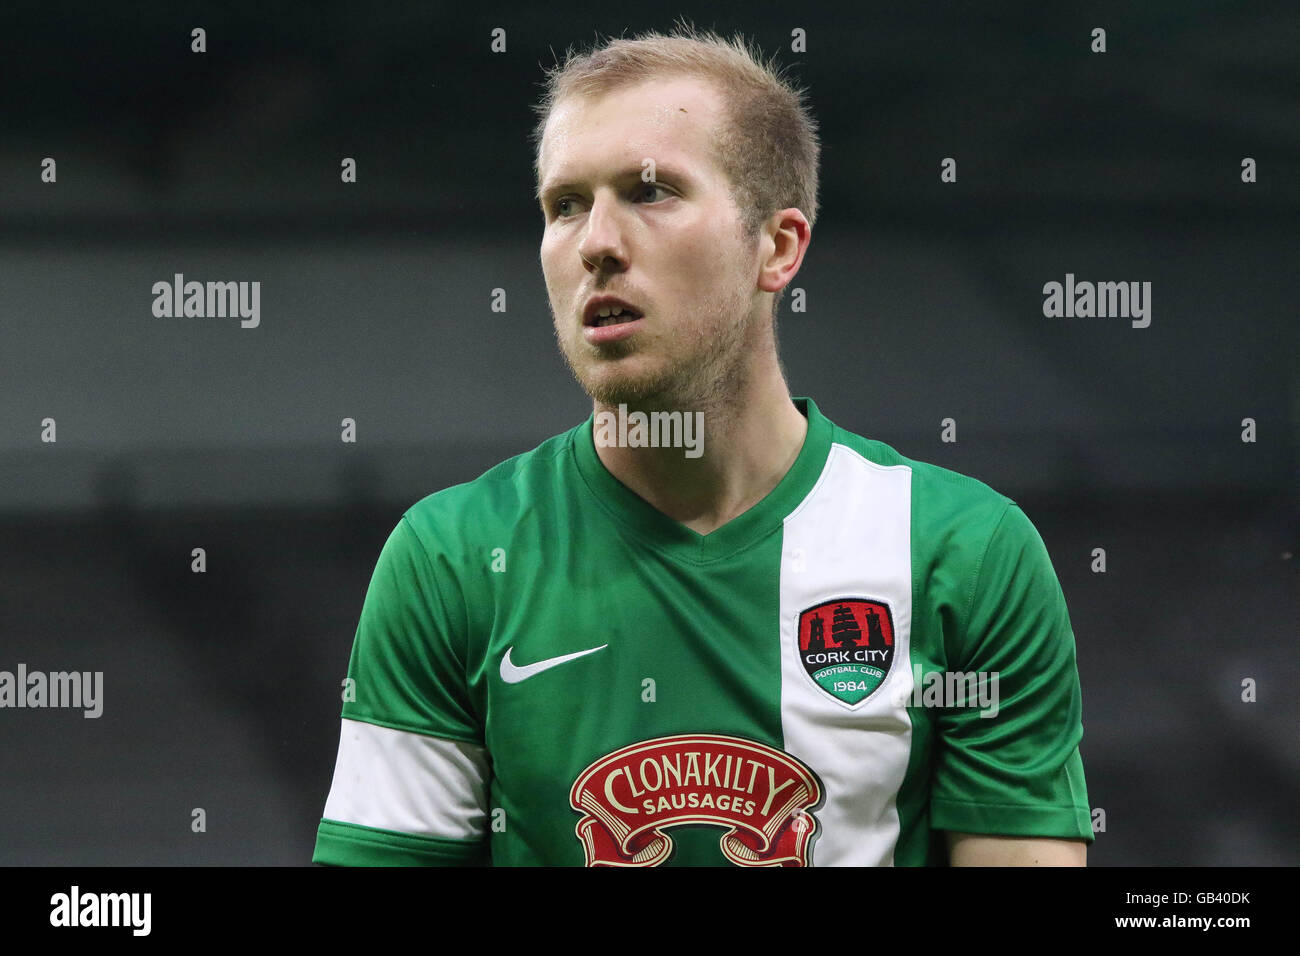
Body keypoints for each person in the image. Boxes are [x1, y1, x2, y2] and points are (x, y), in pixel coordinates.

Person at [312, 24, 1093, 866]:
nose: (596, 243)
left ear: (777, 246)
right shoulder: (454, 560)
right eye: (565, 204)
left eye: (650, 193)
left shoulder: (965, 554)